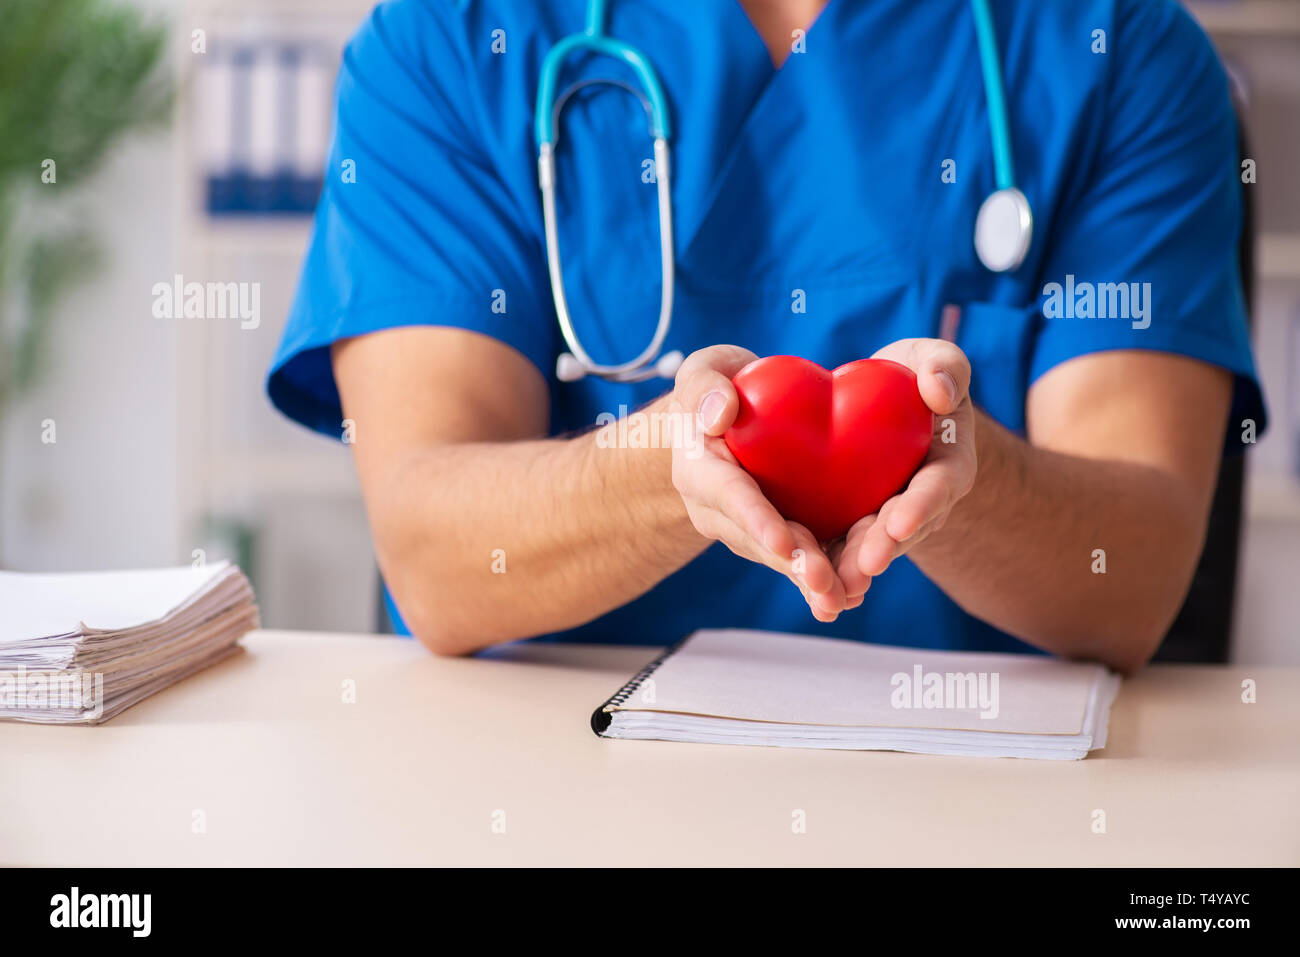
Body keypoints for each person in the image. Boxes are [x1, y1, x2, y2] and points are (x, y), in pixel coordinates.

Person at [267, 0, 1265, 671]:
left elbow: (1130, 583)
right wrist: (669, 465)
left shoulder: (1115, 45)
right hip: (546, 788)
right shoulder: (448, 39)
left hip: (984, 800)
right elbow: (434, 559)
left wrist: (968, 481)